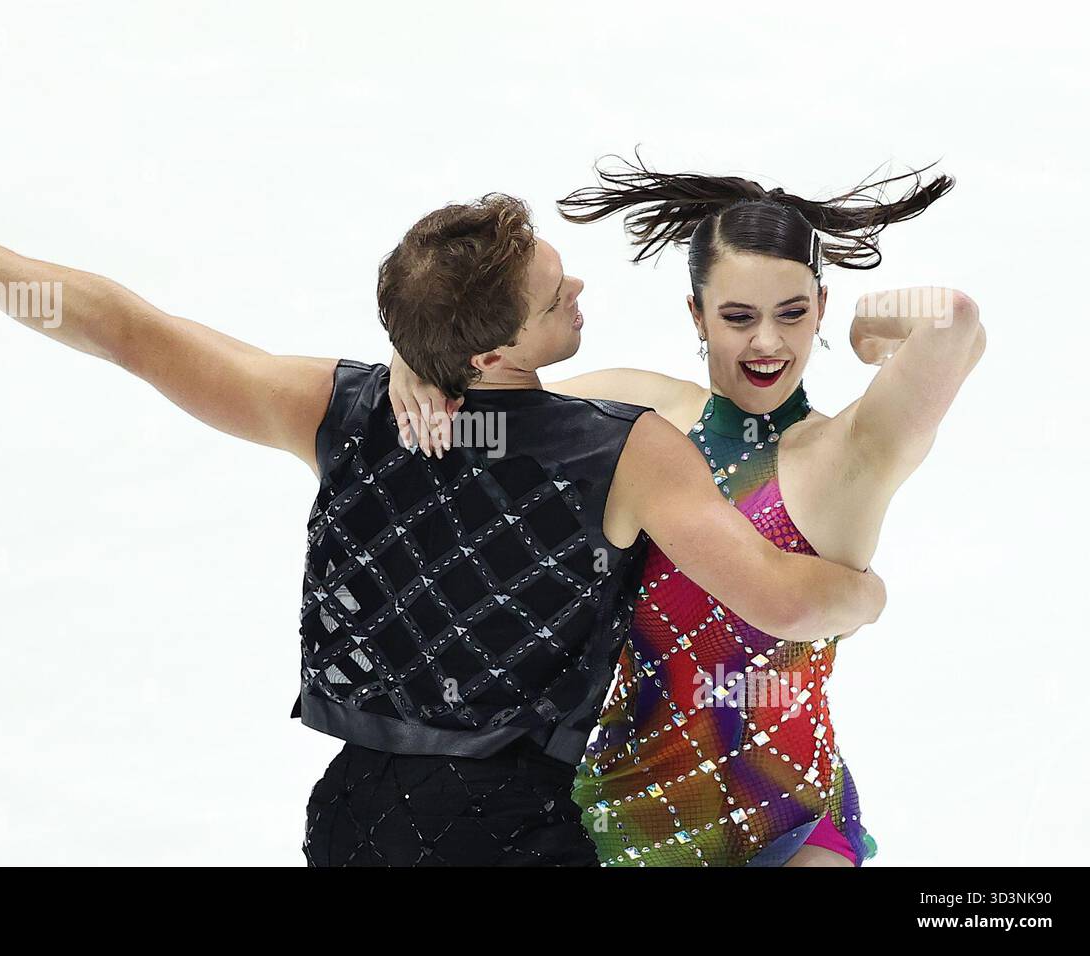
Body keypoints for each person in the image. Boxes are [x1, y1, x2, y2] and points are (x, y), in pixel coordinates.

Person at [0, 123, 884, 866]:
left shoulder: (340, 406)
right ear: (493, 348)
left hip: (356, 815)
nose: (577, 286)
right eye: (555, 294)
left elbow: (129, 331)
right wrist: (864, 594)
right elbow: (782, 598)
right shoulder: (628, 452)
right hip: (515, 827)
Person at [389, 153, 983, 866]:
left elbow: (954, 319)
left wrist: (868, 324)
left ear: (818, 307)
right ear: (696, 315)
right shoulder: (642, 416)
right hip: (614, 821)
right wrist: (418, 366)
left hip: (790, 827)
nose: (768, 342)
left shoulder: (848, 452)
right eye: (738, 317)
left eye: (792, 313)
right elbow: (485, 412)